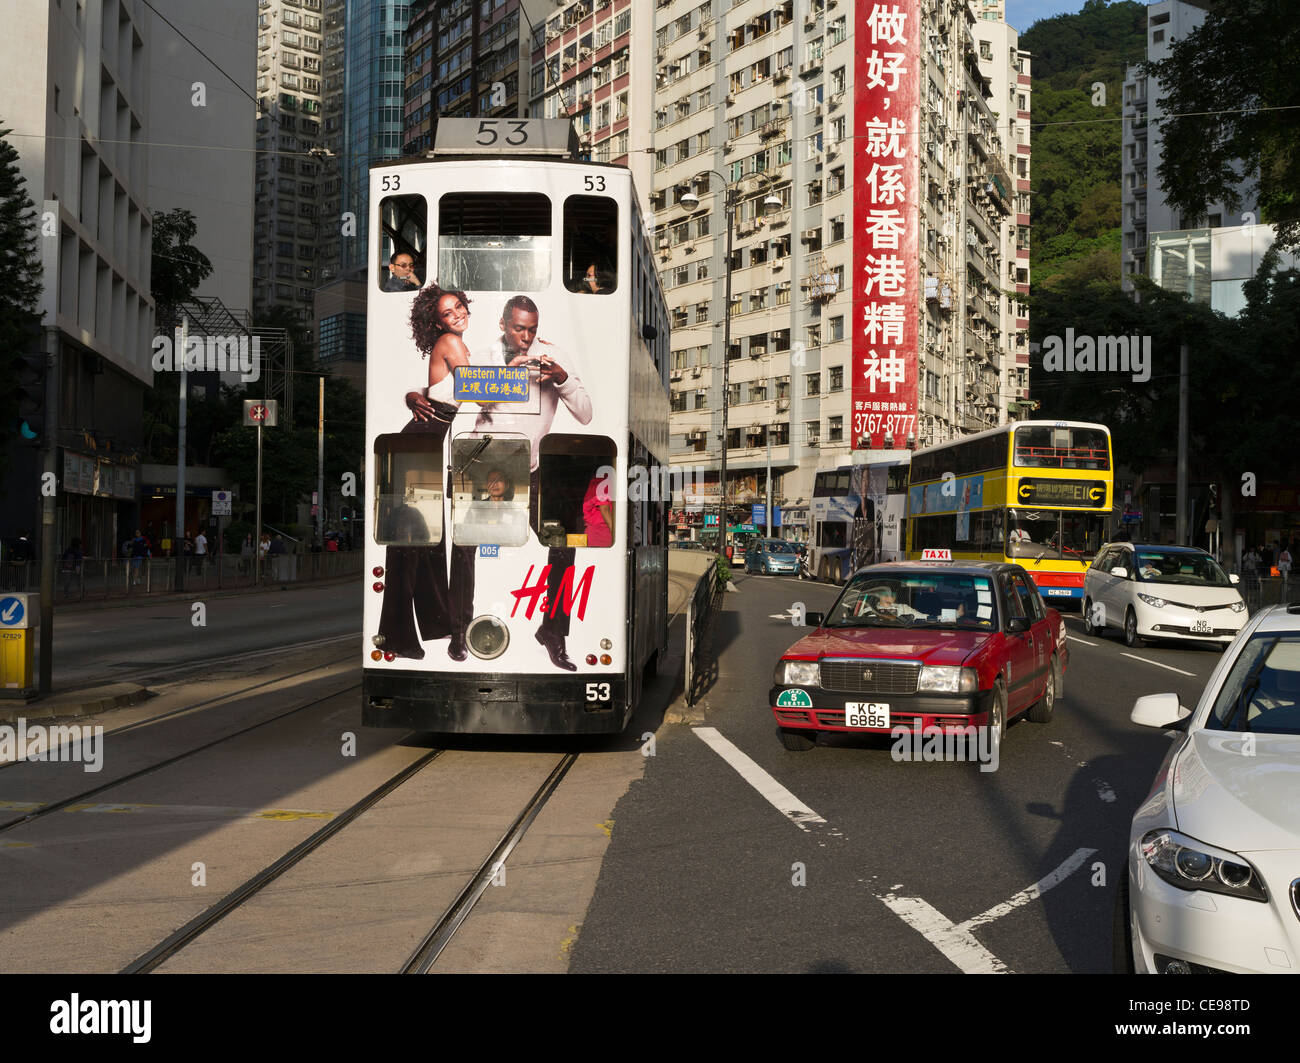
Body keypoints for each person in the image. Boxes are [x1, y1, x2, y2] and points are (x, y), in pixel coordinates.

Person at [473, 295, 592, 670]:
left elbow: (587, 415)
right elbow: (465, 399)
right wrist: (509, 373)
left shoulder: (553, 355)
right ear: (503, 324)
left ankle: (553, 631)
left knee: (565, 541)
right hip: (488, 463)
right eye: (519, 328)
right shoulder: (486, 353)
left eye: (532, 330)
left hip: (533, 467)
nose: (526, 337)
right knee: (463, 545)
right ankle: (460, 626)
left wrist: (561, 379)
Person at [379, 284, 477, 662]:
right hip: (421, 444)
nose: (457, 316)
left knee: (424, 542)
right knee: (411, 546)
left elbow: (439, 389)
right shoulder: (451, 343)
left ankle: (425, 631)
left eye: (459, 307)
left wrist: (413, 393)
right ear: (437, 323)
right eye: (448, 314)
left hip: (425, 444)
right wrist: (516, 378)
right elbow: (478, 387)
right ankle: (397, 638)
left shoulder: (456, 344)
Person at [582, 467, 615, 548]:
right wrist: (615, 533)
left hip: (596, 534)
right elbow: (604, 508)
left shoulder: (596, 482)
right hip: (601, 536)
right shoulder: (603, 481)